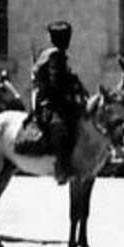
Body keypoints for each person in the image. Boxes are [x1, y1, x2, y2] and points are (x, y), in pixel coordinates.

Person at [29, 21, 89, 184]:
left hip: (51, 98)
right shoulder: (55, 55)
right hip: (49, 102)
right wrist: (71, 92)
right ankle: (62, 167)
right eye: (66, 38)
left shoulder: (52, 53)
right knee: (63, 126)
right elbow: (56, 83)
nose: (68, 41)